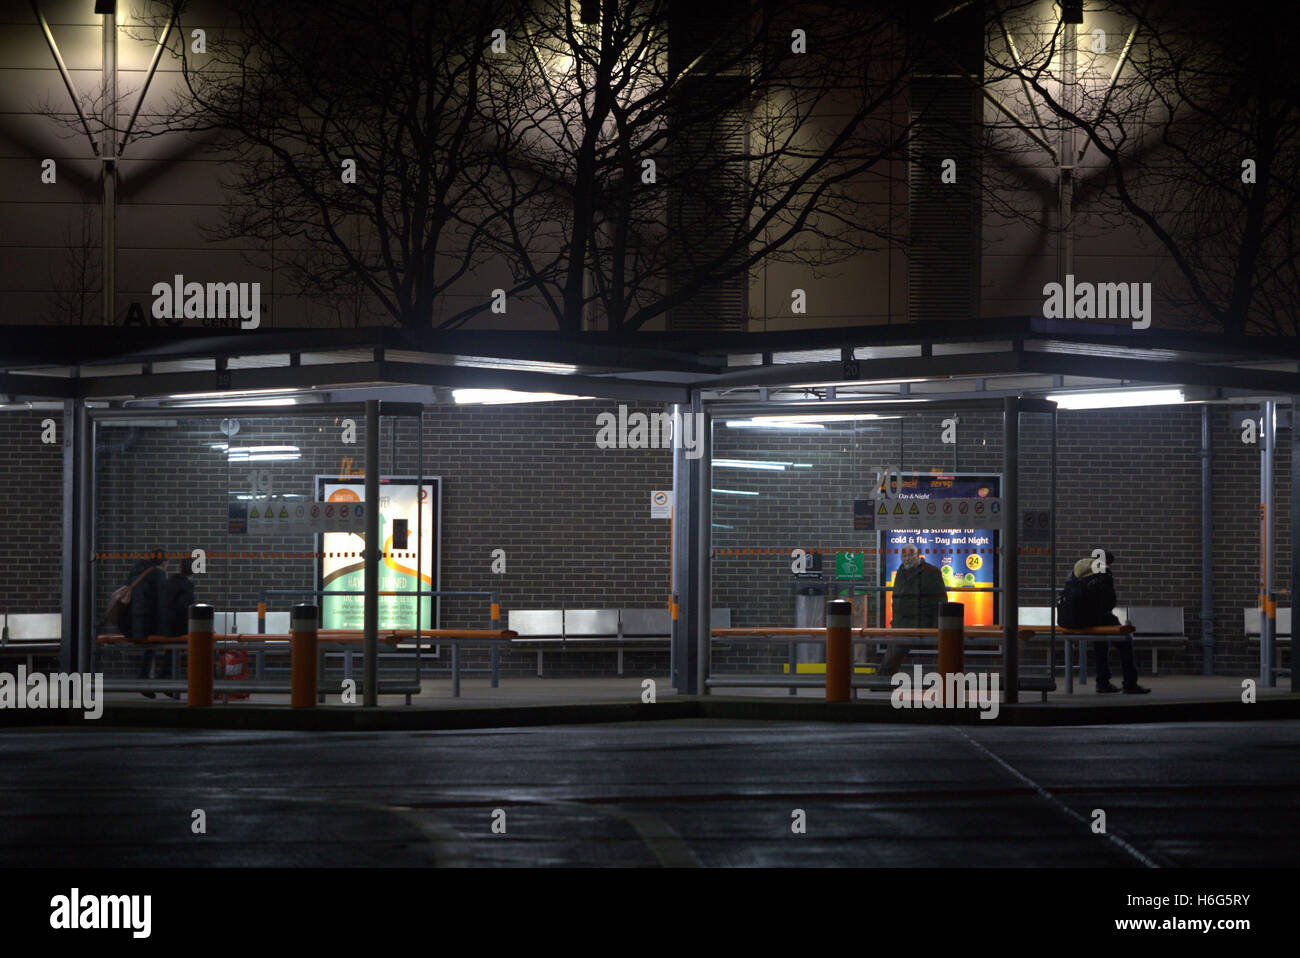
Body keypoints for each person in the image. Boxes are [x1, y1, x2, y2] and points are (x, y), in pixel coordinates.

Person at [1058, 551, 1150, 694]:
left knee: (1101, 643)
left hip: (1071, 620)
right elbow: (1110, 602)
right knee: (1125, 641)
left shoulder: (1076, 570)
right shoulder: (1103, 571)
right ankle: (1130, 684)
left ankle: (1103, 683)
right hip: (1094, 618)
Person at [880, 545, 946, 675]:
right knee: (891, 658)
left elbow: (941, 600)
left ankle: (881, 683)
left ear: (918, 556)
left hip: (922, 624)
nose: (907, 559)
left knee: (892, 658)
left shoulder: (932, 572)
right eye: (904, 556)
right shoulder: (901, 572)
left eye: (911, 555)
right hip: (903, 625)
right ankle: (881, 683)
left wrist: (936, 625)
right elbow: (898, 599)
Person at [125, 549, 169, 699]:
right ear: (163, 562)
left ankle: (148, 677)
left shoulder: (136, 573)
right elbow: (162, 602)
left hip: (133, 623)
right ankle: (164, 678)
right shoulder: (158, 574)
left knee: (151, 650)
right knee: (172, 644)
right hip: (148, 623)